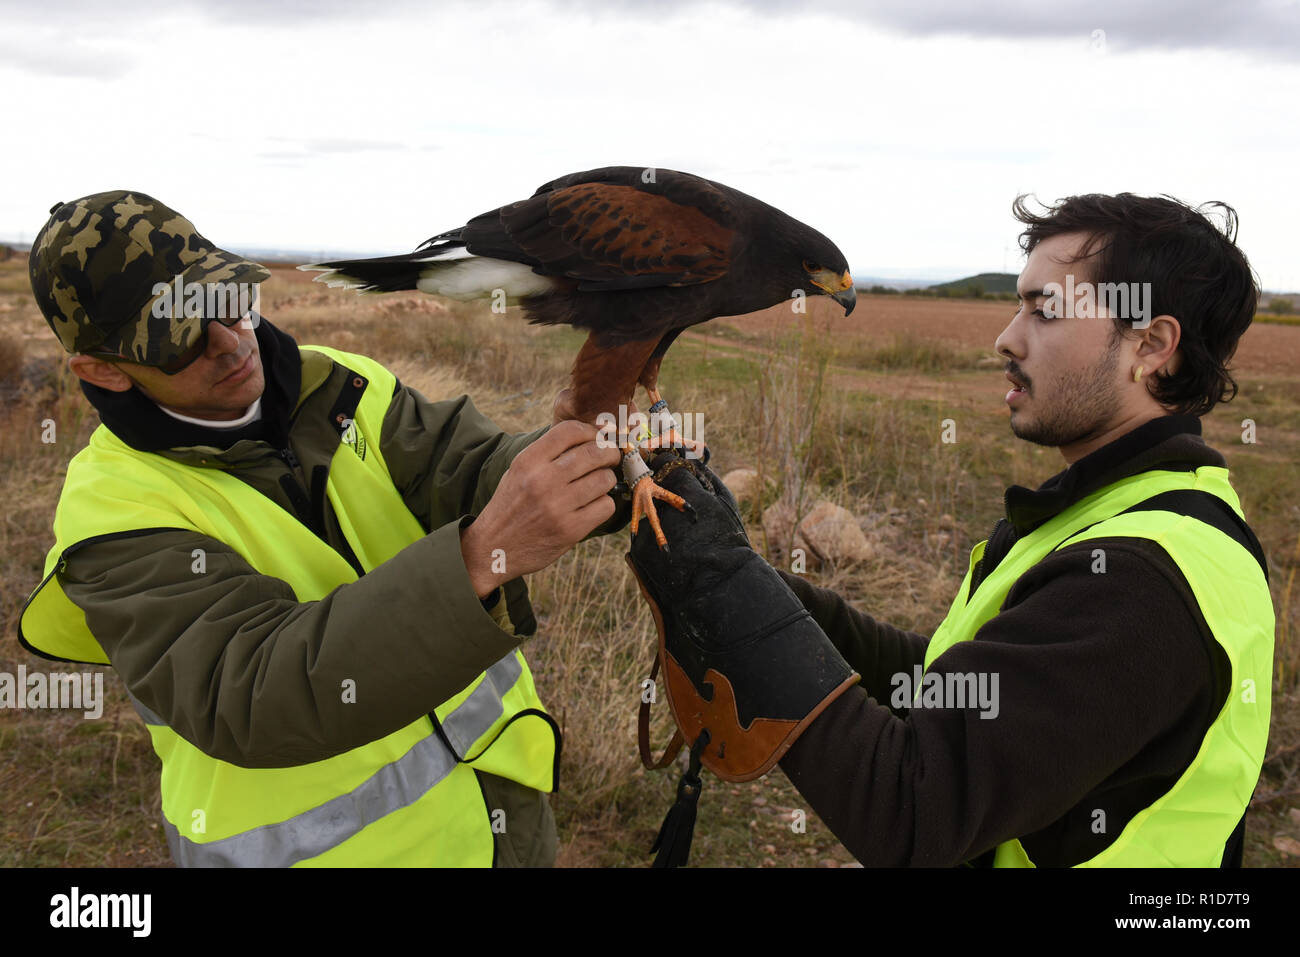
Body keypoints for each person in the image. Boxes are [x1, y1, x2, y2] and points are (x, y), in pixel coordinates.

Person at [628, 192, 1274, 867]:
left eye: (1044, 310)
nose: (1007, 337)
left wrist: (723, 584)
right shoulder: (1125, 510)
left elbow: (914, 812)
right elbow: (948, 690)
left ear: (1151, 345)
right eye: (1017, 303)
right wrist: (742, 577)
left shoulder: (1142, 581)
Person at [18, 190, 625, 867]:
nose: (228, 341)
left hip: (502, 825)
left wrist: (610, 462)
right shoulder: (113, 514)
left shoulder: (339, 385)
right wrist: (476, 560)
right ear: (102, 368)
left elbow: (475, 465)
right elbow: (252, 692)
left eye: (225, 298)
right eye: (178, 335)